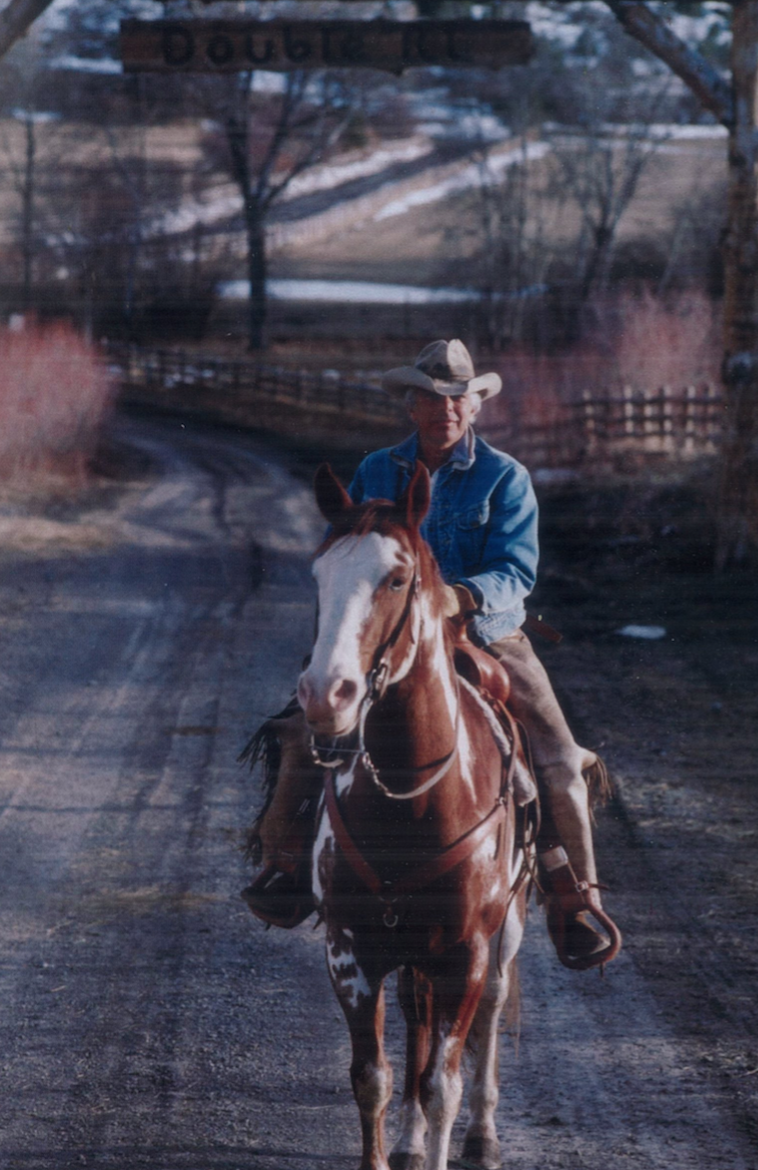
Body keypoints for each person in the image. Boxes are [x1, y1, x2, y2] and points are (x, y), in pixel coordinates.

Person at [242, 339, 619, 968]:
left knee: (554, 749)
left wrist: (456, 598)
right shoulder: (375, 472)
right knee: (299, 727)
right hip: (388, 635)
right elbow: (349, 555)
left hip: (487, 631)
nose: (447, 409)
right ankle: (286, 866)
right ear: (411, 405)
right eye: (433, 398)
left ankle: (575, 897)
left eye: (458, 399)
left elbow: (516, 570)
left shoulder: (505, 477)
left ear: (474, 406)